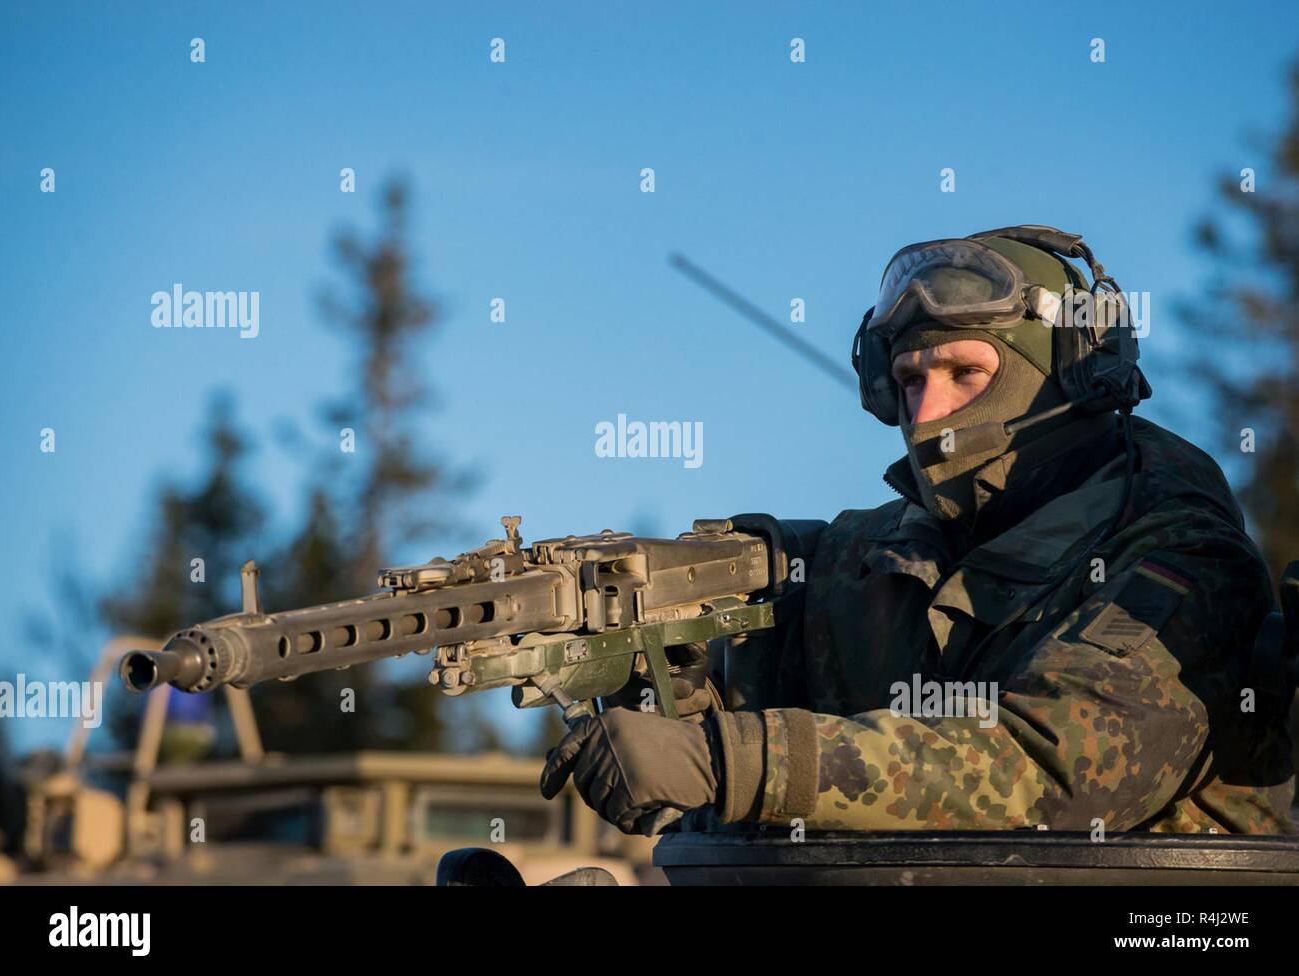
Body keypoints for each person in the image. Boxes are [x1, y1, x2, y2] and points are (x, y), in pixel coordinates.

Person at [540, 225, 1297, 836]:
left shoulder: (1182, 560)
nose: (927, 414)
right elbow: (768, 733)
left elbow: (1051, 776)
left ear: (1070, 376)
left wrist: (727, 760)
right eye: (909, 381)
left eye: (964, 374)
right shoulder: (874, 557)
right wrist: (676, 689)